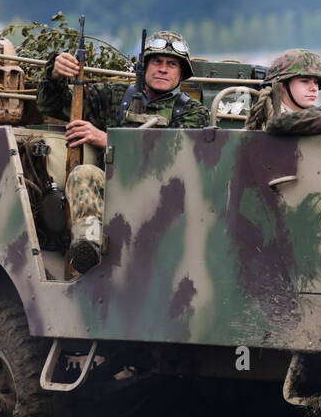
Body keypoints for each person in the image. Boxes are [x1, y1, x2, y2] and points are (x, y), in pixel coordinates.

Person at [37, 29, 207, 273]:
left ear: (181, 73)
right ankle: (88, 247)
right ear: (144, 66)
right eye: (157, 61)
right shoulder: (116, 96)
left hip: (164, 197)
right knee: (83, 174)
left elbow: (174, 157)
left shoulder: (193, 112)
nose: (163, 69)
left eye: (171, 64)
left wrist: (106, 139)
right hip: (113, 192)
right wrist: (55, 74)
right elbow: (52, 104)